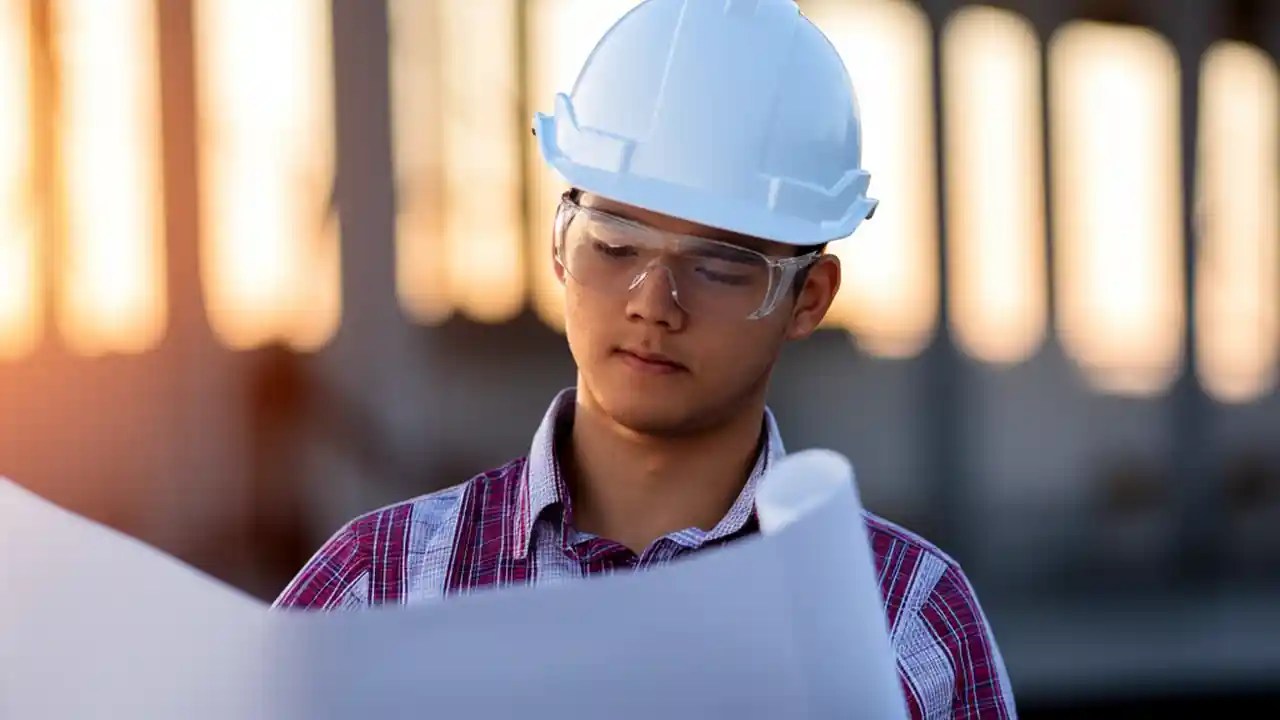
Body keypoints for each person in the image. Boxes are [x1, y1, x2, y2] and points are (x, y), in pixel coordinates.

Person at [275, 0, 1017, 716]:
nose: (652, 302)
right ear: (560, 248)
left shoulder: (910, 626)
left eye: (721, 266)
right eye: (615, 245)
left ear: (810, 298)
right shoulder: (380, 585)